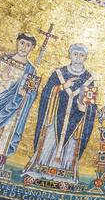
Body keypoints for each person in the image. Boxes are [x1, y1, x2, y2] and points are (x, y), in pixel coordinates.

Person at [29, 43, 97, 180]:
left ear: (86, 58)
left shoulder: (89, 79)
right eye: (75, 54)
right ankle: (40, 169)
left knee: (71, 145)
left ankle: (65, 175)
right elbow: (46, 93)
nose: (78, 57)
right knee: (49, 140)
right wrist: (61, 87)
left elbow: (91, 105)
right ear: (70, 55)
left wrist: (84, 107)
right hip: (55, 117)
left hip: (75, 120)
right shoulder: (58, 73)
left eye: (81, 55)